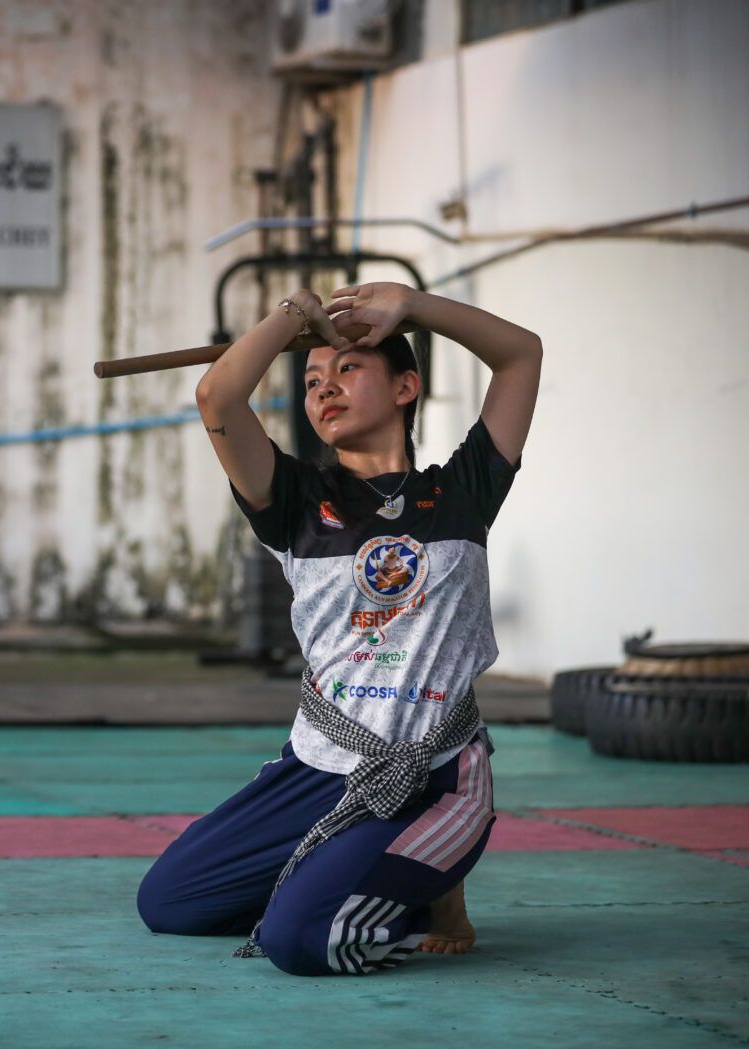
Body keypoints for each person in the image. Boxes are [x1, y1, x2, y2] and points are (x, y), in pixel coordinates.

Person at [136, 281, 541, 975]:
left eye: (348, 368)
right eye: (312, 378)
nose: (324, 387)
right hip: (319, 767)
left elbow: (520, 356)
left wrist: (411, 304)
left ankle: (424, 886)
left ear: (406, 385)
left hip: (430, 772)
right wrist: (292, 317)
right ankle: (378, 881)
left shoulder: (463, 490)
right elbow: (217, 398)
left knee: (297, 941)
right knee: (169, 901)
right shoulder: (294, 500)